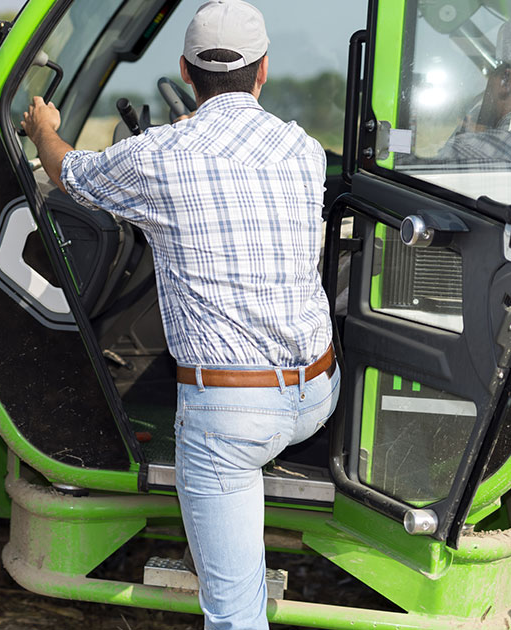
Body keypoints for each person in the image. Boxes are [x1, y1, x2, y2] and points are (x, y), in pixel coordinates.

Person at [20, 2, 339, 628]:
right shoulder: (304, 151)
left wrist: (41, 127)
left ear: (188, 74)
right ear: (263, 71)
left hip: (233, 420)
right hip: (314, 395)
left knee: (233, 614)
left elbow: (68, 173)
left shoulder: (160, 155)